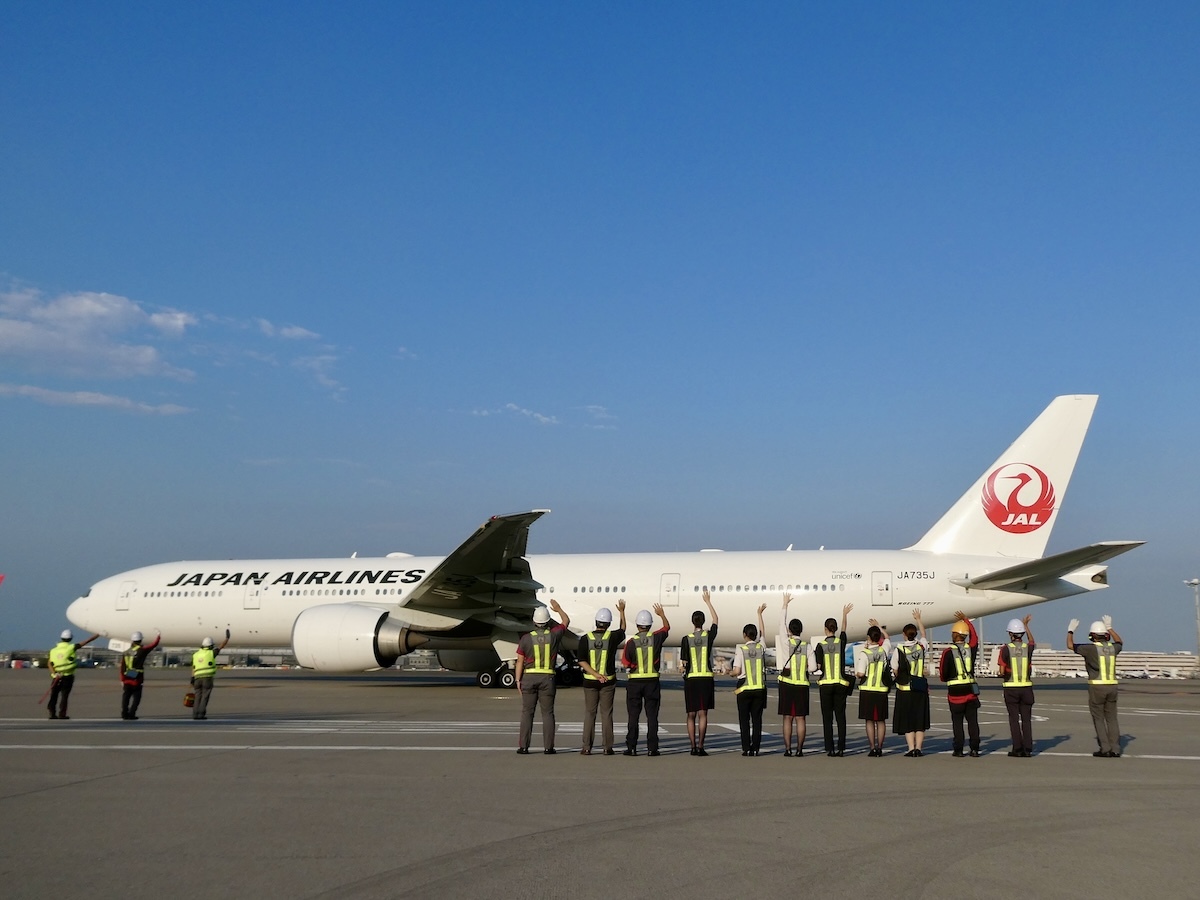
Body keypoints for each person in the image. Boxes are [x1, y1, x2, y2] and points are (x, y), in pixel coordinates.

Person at [515, 599, 570, 754]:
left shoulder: (525, 638)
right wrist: (558, 609)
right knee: (548, 713)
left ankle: (524, 747)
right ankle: (548, 747)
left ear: (534, 621)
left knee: (527, 713)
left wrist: (518, 680)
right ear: (547, 621)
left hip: (529, 678)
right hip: (548, 678)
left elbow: (520, 661)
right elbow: (566, 621)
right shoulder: (554, 635)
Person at [1068, 615, 1123, 757]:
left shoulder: (1090, 649)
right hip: (1112, 686)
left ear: (1092, 636)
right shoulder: (1113, 648)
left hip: (1097, 687)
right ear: (1106, 635)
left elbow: (1070, 645)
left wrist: (1070, 631)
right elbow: (1119, 642)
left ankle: (1105, 748)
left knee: (1098, 718)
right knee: (1112, 718)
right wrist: (1110, 628)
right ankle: (1115, 749)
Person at [578, 600, 626, 755]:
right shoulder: (612, 637)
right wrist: (622, 612)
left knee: (589, 713)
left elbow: (581, 661)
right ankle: (607, 747)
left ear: (596, 622)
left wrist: (595, 674)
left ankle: (586, 747)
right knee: (607, 714)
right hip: (608, 681)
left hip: (590, 682)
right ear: (608, 623)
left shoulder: (585, 638)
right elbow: (623, 629)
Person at [622, 603, 670, 756]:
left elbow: (625, 663)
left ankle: (631, 747)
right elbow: (666, 627)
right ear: (650, 625)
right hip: (652, 683)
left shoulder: (631, 642)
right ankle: (652, 748)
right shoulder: (656, 638)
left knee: (633, 716)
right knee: (652, 717)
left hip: (635, 683)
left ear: (637, 625)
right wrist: (661, 614)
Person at [811, 603, 854, 757]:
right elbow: (844, 630)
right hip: (840, 683)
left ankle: (830, 748)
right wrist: (844, 614)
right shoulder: (840, 643)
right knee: (840, 717)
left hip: (826, 684)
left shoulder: (820, 646)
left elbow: (817, 666)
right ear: (835, 629)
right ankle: (841, 748)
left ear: (825, 629)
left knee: (827, 718)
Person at [680, 589, 719, 756]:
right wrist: (708, 602)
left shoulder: (686, 639)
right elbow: (716, 620)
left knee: (691, 715)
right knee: (703, 714)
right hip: (705, 679)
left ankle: (692, 746)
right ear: (703, 622)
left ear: (692, 622)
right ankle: (701, 746)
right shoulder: (708, 636)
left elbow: (683, 663)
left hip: (691, 680)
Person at [938, 611, 981, 757]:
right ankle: (974, 748)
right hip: (970, 690)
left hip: (955, 692)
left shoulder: (948, 652)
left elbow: (943, 673)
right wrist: (966, 620)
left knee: (957, 722)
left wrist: (947, 679)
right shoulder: (971, 649)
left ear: (956, 635)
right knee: (973, 722)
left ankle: (958, 749)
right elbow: (975, 637)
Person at [890, 609, 930, 757]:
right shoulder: (921, 647)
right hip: (920, 688)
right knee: (920, 720)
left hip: (905, 688)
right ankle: (919, 748)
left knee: (908, 720)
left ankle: (911, 748)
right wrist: (918, 619)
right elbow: (924, 635)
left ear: (904, 635)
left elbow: (895, 669)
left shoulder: (899, 649)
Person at [730, 604, 769, 756]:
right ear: (755, 635)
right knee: (757, 720)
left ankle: (746, 748)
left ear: (744, 635)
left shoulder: (741, 649)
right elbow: (763, 633)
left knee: (744, 720)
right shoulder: (761, 647)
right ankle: (756, 748)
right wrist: (760, 615)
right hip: (759, 687)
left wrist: (730, 673)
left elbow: (737, 671)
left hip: (744, 688)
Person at [998, 615, 1036, 756]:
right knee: (1026, 720)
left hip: (1011, 688)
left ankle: (1017, 749)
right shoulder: (1028, 648)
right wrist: (1026, 625)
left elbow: (1002, 671)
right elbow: (1032, 641)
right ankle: (1028, 749)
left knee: (1014, 719)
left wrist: (1003, 674)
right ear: (1022, 634)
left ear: (1010, 634)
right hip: (1027, 688)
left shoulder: (1005, 649)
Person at [777, 593, 810, 757]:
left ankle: (788, 749)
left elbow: (781, 624)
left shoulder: (785, 642)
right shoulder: (807, 647)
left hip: (787, 684)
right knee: (800, 719)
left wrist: (785, 605)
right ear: (801, 631)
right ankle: (799, 750)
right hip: (802, 684)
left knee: (787, 718)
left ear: (790, 630)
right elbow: (812, 668)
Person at [856, 619, 892, 756]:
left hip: (868, 690)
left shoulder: (865, 653)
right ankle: (880, 747)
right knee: (881, 721)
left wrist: (857, 674)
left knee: (869, 720)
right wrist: (879, 627)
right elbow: (887, 638)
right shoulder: (884, 650)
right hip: (881, 689)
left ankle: (872, 747)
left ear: (868, 638)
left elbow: (861, 673)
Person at [47, 629, 100, 720]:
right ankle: (62, 714)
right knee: (64, 696)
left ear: (61, 638)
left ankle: (52, 713)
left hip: (56, 677)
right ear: (71, 638)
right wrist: (95, 636)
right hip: (67, 676)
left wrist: (54, 673)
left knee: (54, 695)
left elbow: (49, 663)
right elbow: (85, 642)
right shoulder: (71, 647)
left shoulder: (53, 650)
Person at [190, 629, 232, 721]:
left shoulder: (195, 655)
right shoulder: (211, 653)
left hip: (197, 678)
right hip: (207, 678)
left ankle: (195, 714)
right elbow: (221, 646)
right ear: (211, 646)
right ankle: (201, 714)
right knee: (205, 696)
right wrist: (227, 638)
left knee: (197, 697)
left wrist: (192, 678)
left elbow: (193, 667)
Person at [120, 630, 162, 720]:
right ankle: (131, 714)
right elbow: (153, 645)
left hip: (127, 676)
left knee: (126, 696)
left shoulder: (126, 652)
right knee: (136, 698)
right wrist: (158, 636)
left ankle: (124, 714)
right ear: (140, 640)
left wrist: (122, 679)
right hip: (136, 677)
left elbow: (122, 667)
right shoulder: (141, 651)